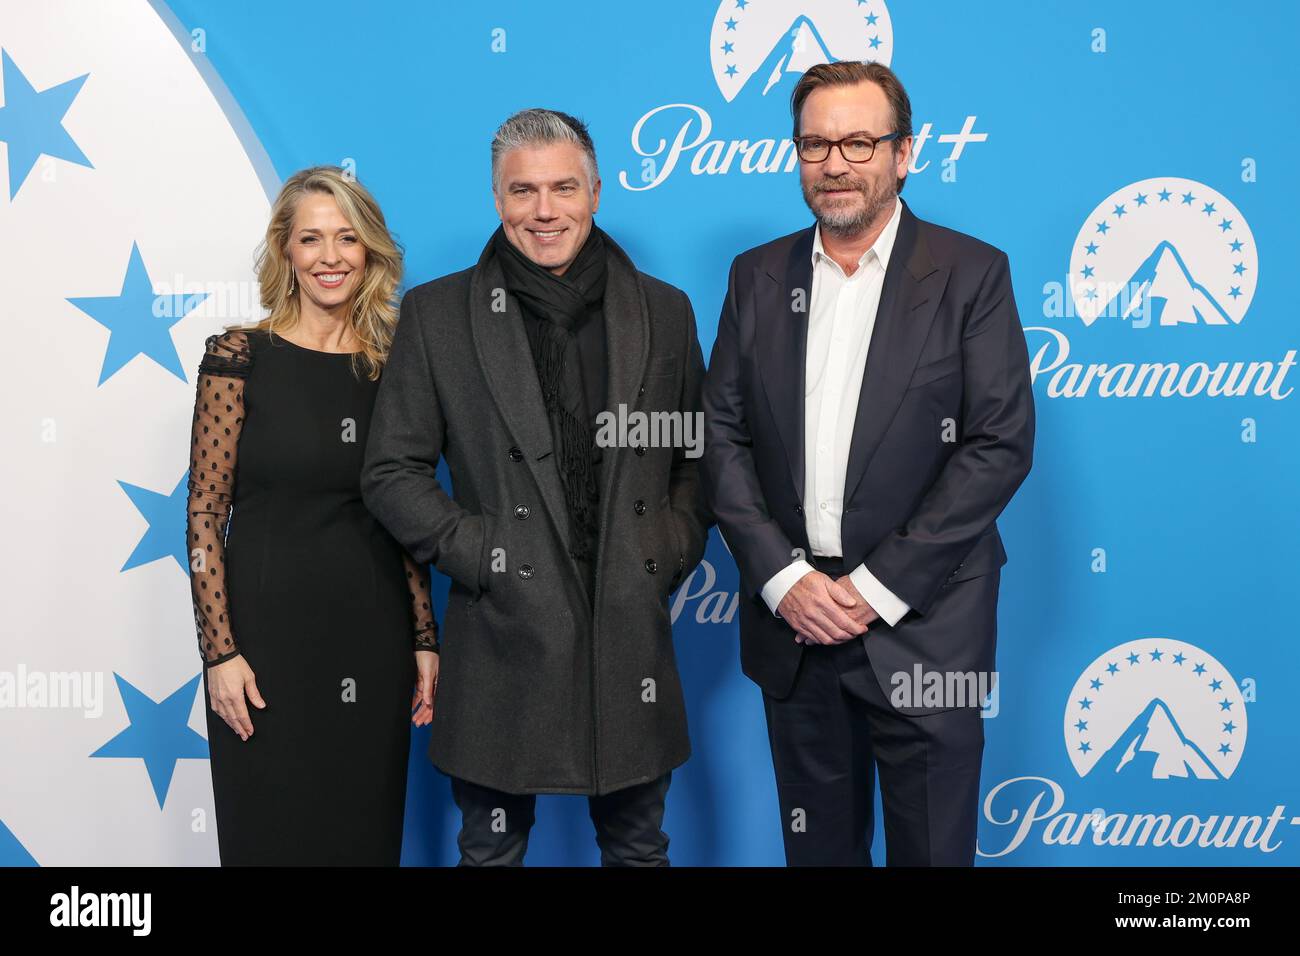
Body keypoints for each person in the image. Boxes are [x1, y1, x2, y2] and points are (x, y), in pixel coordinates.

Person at [701, 62, 1035, 866]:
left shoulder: (971, 273)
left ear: (904, 152)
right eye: (816, 143)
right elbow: (717, 435)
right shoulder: (756, 276)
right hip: (798, 629)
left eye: (859, 141)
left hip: (927, 634)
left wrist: (872, 590)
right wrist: (784, 581)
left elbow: (998, 444)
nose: (836, 163)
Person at [362, 109, 709, 866]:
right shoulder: (439, 314)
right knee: (490, 853)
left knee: (639, 847)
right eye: (523, 192)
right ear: (496, 198)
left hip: (626, 626)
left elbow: (694, 455)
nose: (544, 211)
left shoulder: (664, 311)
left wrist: (664, 549)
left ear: (596, 191)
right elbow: (390, 470)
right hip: (505, 628)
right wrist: (483, 551)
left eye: (563, 188)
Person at [186, 166, 437, 866]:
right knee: (266, 837)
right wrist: (220, 652)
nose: (330, 256)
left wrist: (424, 637)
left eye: (347, 238)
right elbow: (204, 513)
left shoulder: (395, 370)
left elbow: (405, 513)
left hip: (370, 638)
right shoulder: (240, 356)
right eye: (311, 239)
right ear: (287, 252)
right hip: (262, 647)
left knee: (360, 839)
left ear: (371, 253)